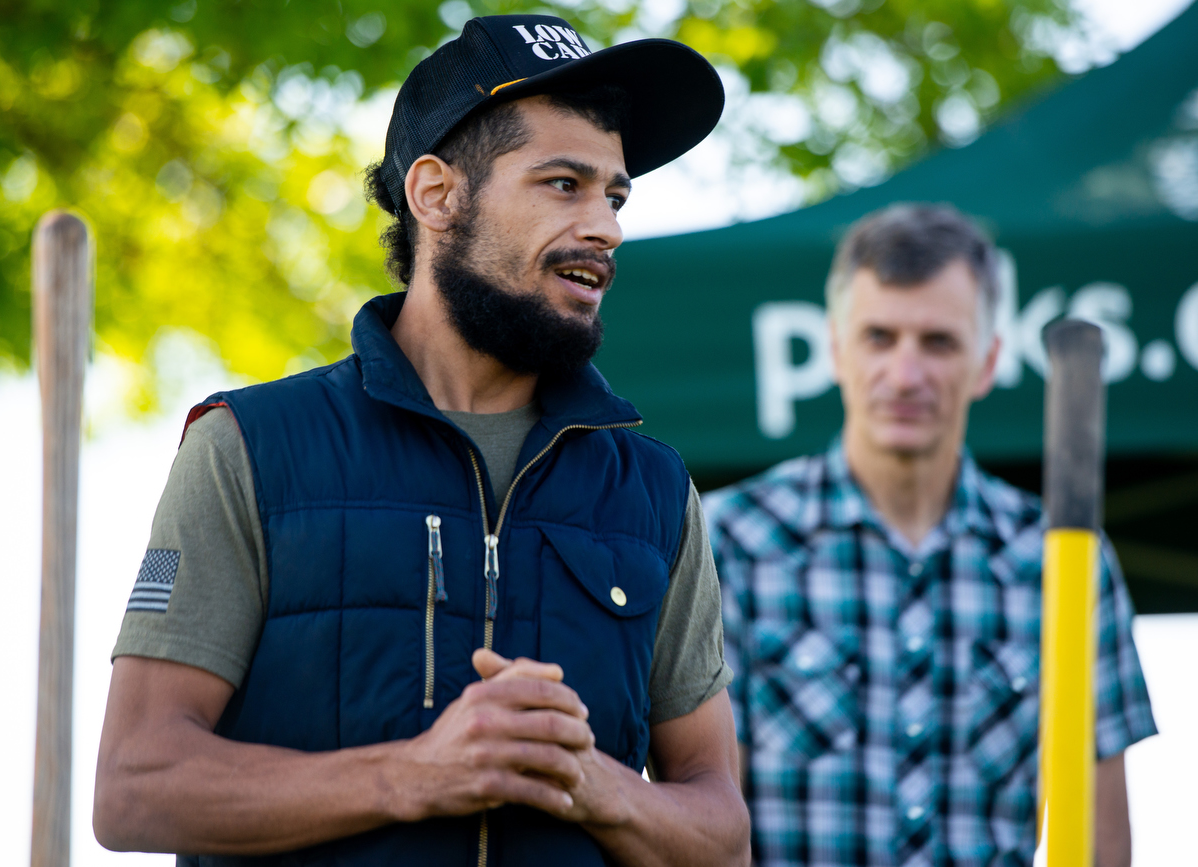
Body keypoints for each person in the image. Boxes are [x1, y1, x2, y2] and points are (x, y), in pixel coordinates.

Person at [93, 14, 749, 867]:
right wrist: (412, 774)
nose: (607, 228)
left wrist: (590, 781)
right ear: (437, 195)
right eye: (564, 184)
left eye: (615, 197)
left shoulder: (654, 492)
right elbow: (134, 787)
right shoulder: (248, 447)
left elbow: (722, 836)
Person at [706, 204, 1157, 867]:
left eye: (939, 342)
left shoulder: (1062, 562)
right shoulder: (731, 542)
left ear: (988, 361)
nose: (906, 374)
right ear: (835, 350)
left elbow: (1100, 844)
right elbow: (709, 830)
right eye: (879, 337)